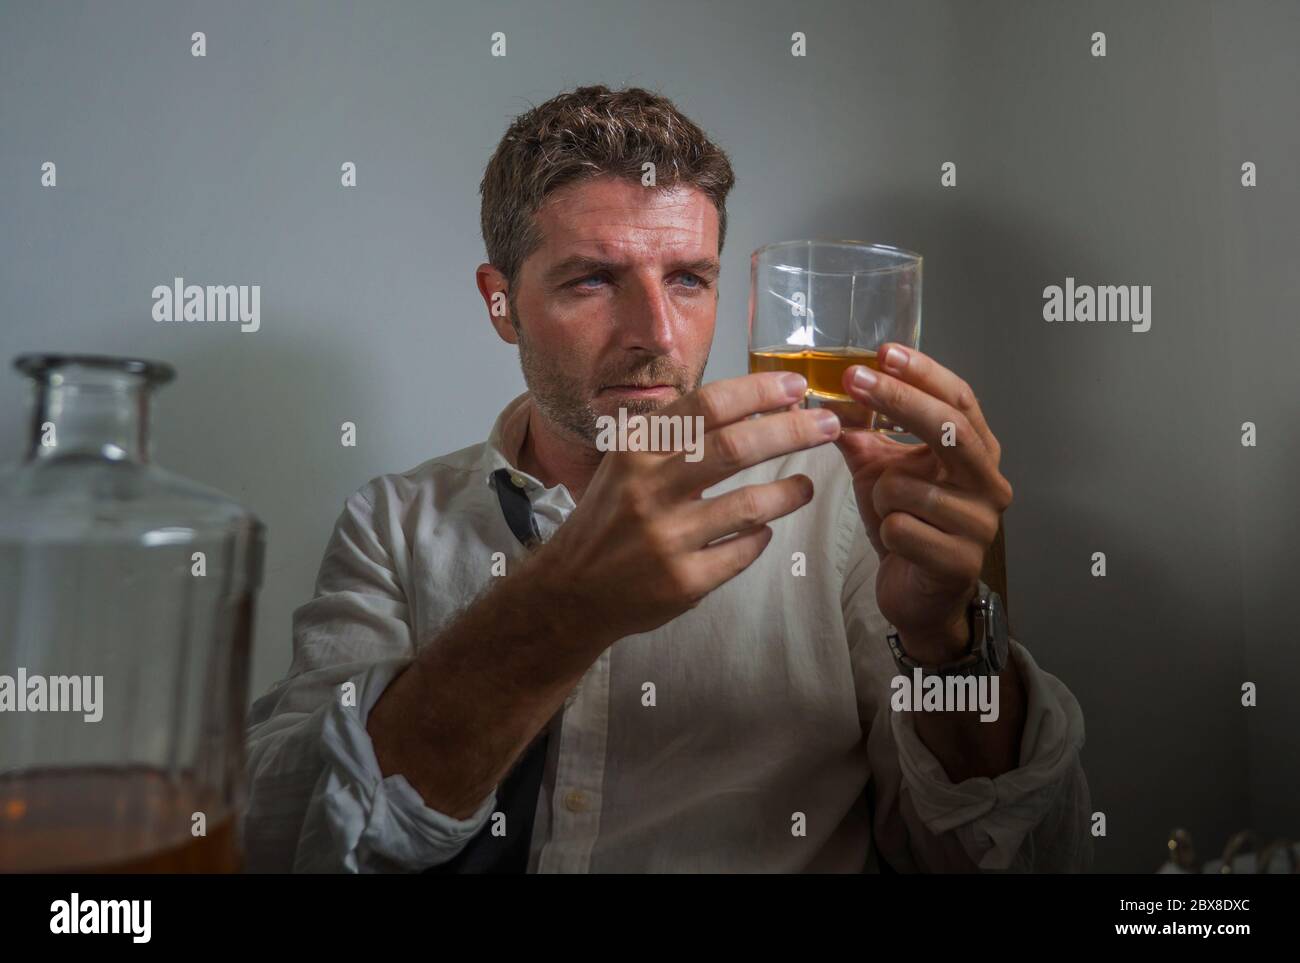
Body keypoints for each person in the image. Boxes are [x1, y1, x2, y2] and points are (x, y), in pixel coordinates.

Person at [243, 84, 1091, 873]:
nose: (656, 333)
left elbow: (1003, 855)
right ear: (500, 302)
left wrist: (947, 638)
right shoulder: (393, 524)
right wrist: (561, 611)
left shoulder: (844, 510)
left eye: (688, 279)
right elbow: (284, 836)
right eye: (593, 280)